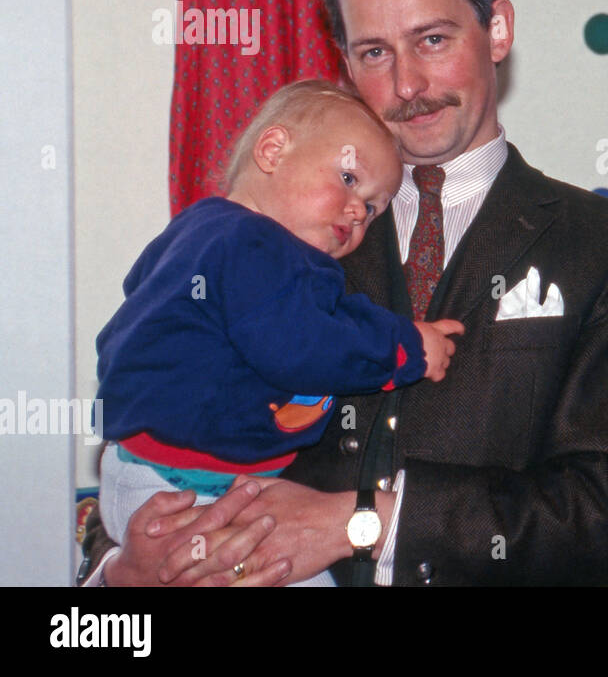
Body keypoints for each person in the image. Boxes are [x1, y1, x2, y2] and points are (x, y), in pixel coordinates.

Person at [80, 0, 608, 587]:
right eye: (374, 52)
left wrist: (365, 521)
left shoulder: (606, 243)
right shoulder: (271, 231)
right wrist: (120, 577)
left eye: (433, 40)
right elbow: (151, 451)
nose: (407, 84)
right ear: (345, 63)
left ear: (497, 29)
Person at [95, 81, 462, 586]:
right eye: (348, 178)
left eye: (373, 207)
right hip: (186, 488)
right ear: (273, 151)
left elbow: (130, 311)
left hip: (145, 474)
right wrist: (406, 348)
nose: (359, 211)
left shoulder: (198, 230)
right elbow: (305, 349)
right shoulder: (257, 244)